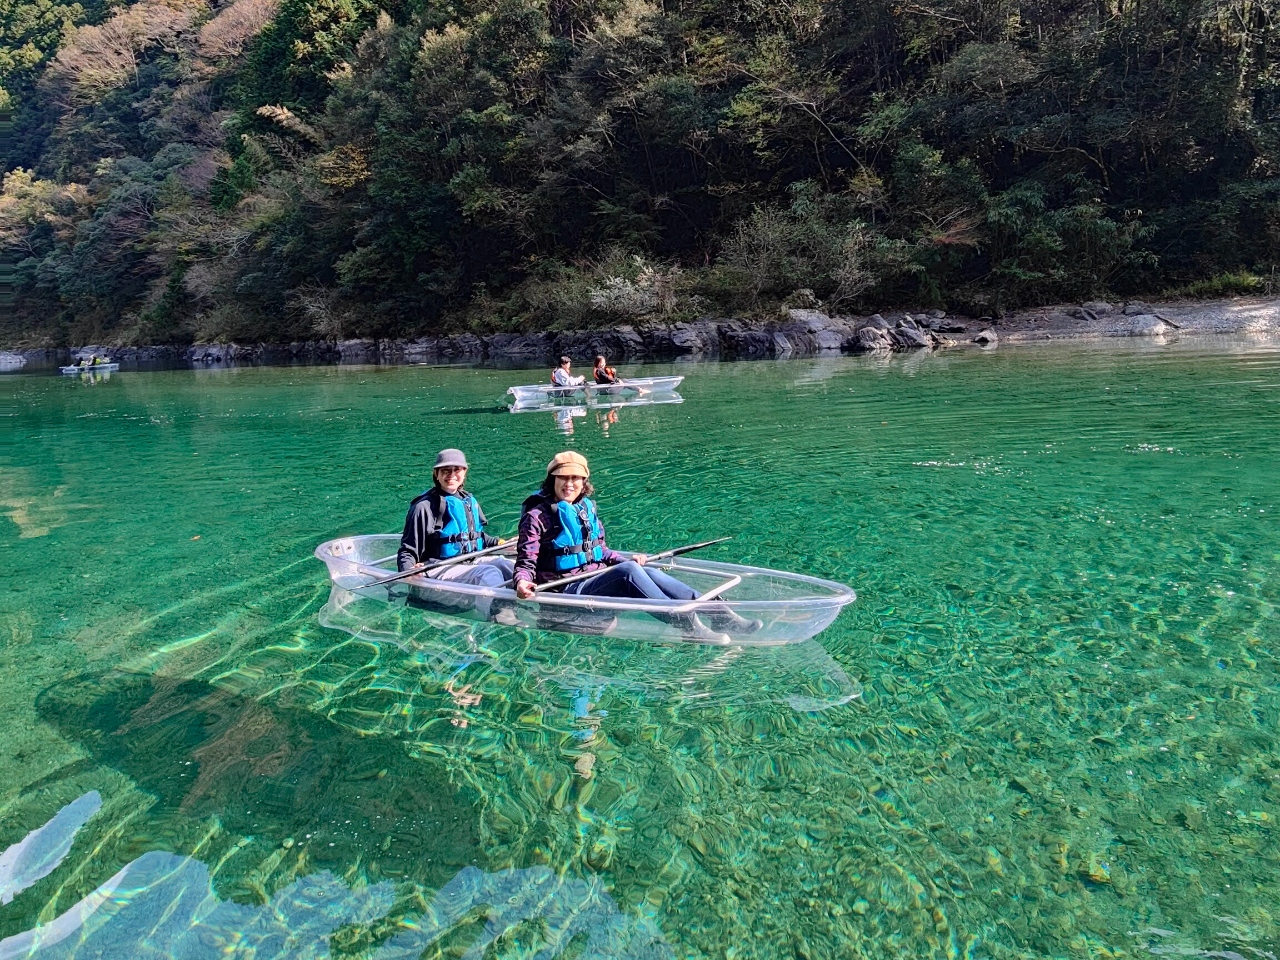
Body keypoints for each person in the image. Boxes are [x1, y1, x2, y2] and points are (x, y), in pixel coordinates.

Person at [512, 451, 761, 641]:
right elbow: (525, 561)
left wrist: (627, 560)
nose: (569, 484)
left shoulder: (585, 509)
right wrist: (522, 582)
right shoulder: (537, 516)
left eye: (575, 478)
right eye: (563, 477)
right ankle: (689, 626)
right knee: (628, 573)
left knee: (644, 570)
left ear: (584, 480)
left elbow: (602, 552)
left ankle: (720, 615)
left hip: (593, 578)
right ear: (552, 479)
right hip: (567, 593)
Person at [398, 448, 519, 625]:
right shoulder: (423, 507)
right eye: (445, 470)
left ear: (464, 473)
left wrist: (502, 543)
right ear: (436, 474)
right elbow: (408, 549)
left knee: (507, 565)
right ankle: (500, 619)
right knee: (489, 573)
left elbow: (478, 537)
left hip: (468, 563)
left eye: (457, 470)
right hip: (437, 569)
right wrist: (408, 572)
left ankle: (534, 604)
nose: (451, 475)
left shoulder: (467, 500)